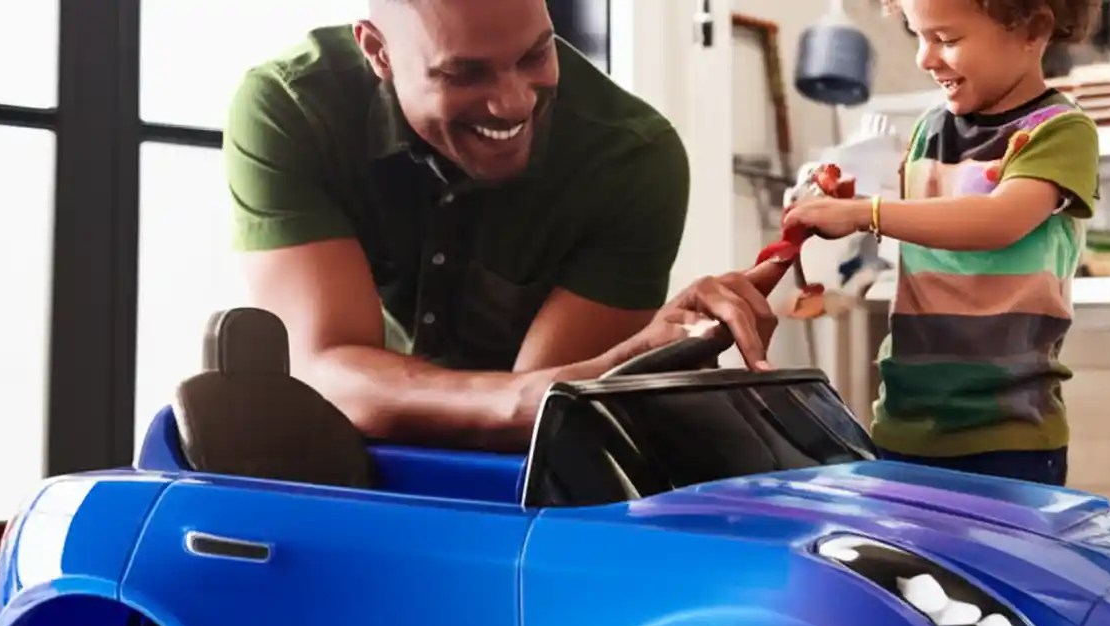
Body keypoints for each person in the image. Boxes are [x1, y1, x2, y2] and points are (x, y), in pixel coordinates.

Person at [222, 0, 780, 452]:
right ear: (378, 51)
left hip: (516, 497)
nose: (513, 103)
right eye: (463, 72)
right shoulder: (289, 110)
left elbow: (542, 435)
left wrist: (644, 355)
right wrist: (534, 397)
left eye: (536, 55)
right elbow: (326, 372)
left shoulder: (634, 158)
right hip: (337, 467)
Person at [781, 0, 1102, 486]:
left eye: (947, 40)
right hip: (904, 421)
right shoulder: (930, 130)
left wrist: (865, 213)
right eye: (918, 36)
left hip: (1009, 432)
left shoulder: (1058, 131)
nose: (924, 58)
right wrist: (843, 207)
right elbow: (924, 220)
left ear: (1033, 29)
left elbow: (999, 219)